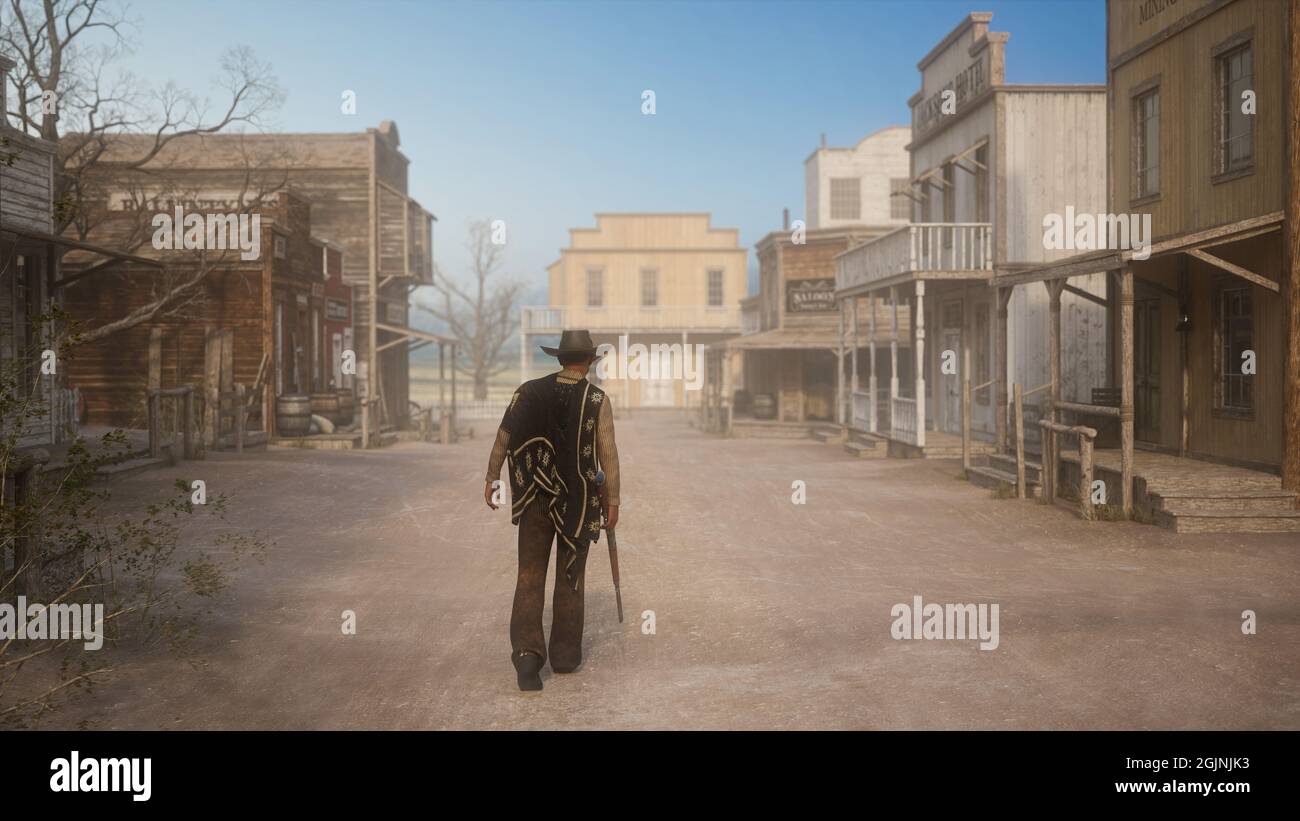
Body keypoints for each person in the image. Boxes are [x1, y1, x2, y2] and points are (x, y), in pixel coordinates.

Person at [484, 330, 620, 691]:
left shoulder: (527, 392)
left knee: (529, 574)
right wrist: (613, 501)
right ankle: (564, 656)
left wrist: (492, 476)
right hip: (577, 503)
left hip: (533, 497)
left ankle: (527, 657)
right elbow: (608, 455)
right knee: (570, 578)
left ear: (559, 359)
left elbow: (504, 436)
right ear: (589, 362)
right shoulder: (597, 400)